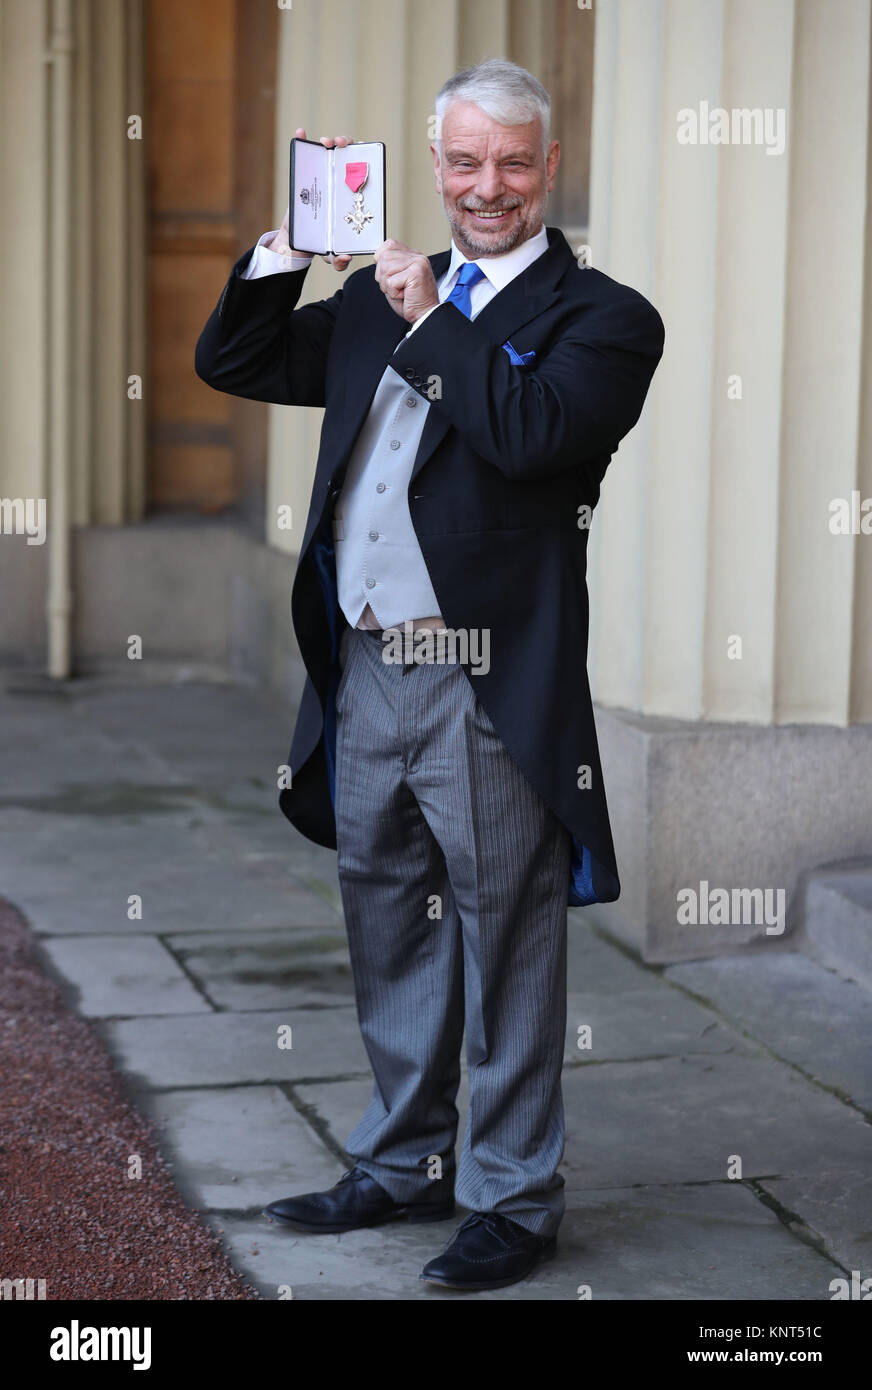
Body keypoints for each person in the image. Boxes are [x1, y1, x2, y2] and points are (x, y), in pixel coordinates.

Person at [195, 57, 664, 1293]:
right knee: (388, 916)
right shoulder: (375, 297)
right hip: (365, 664)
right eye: (462, 161)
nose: (484, 186)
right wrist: (288, 246)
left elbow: (527, 436)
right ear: (436, 164)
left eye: (510, 162)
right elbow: (236, 361)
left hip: (484, 678)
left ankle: (510, 1198)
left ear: (547, 167)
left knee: (505, 939)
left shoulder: (603, 318)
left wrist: (430, 320)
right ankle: (401, 1160)